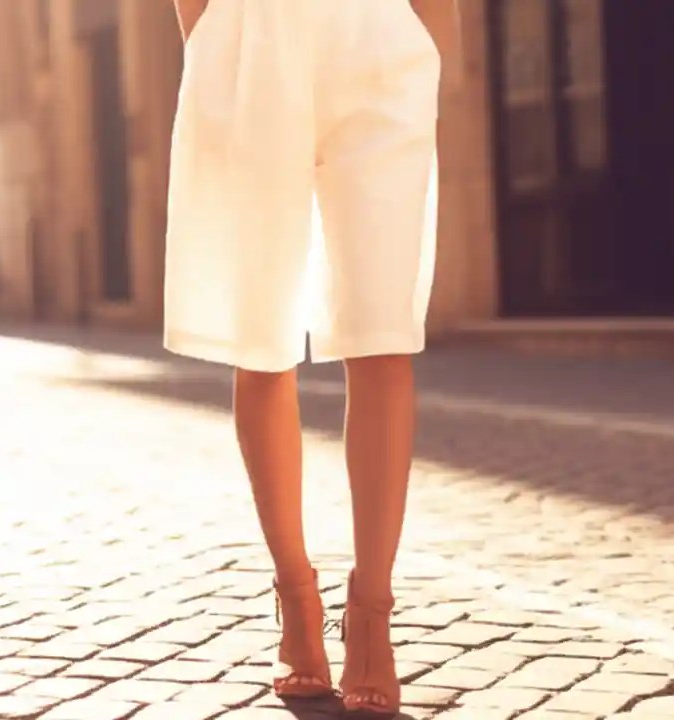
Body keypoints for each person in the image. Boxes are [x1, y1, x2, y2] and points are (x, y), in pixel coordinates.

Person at [165, 0, 461, 715]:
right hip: (249, 44)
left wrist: (429, 46)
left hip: (379, 45)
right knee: (259, 337)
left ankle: (372, 614)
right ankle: (296, 598)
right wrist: (212, 37)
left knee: (382, 334)